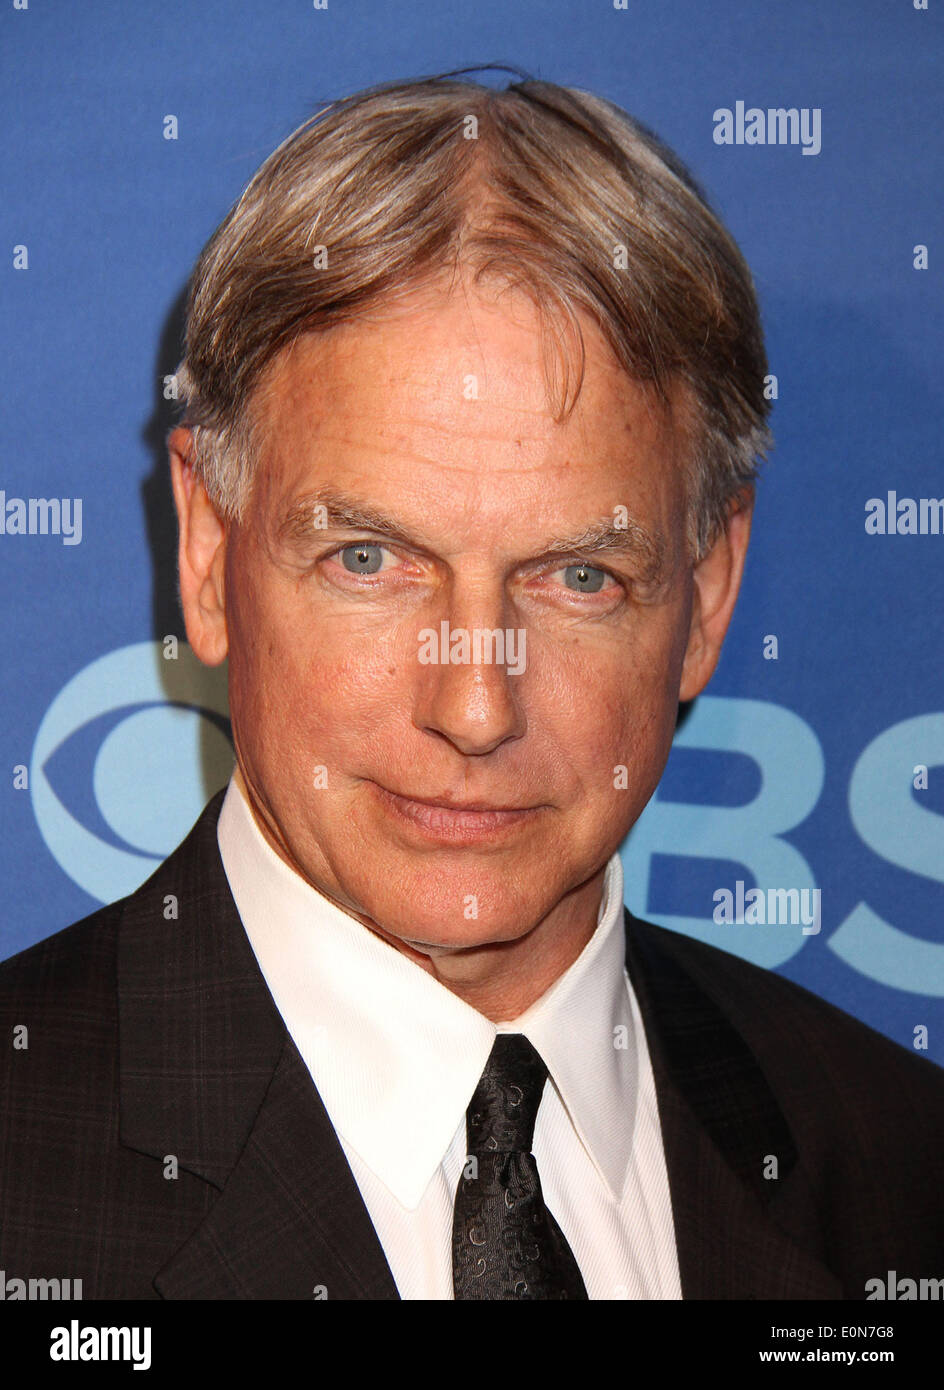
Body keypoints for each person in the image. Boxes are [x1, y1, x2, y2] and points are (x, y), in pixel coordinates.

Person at [1, 74, 941, 1302]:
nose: (474, 708)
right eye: (370, 561)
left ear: (705, 597)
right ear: (205, 552)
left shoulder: (901, 1167)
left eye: (577, 577)